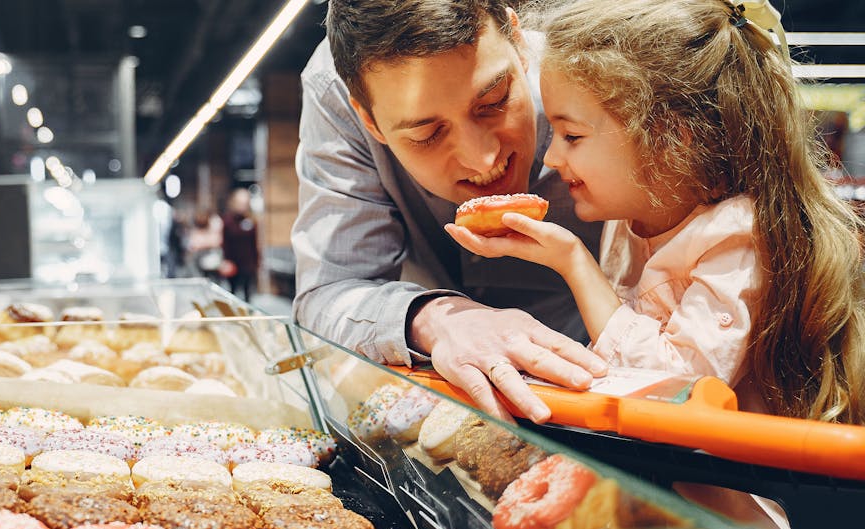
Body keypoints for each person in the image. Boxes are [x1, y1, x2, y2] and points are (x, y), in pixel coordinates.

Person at [447, 0, 865, 425]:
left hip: (726, 482)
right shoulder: (630, 217)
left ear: (669, 139)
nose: (551, 157)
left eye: (571, 135)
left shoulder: (736, 235)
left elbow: (676, 391)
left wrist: (574, 262)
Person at [292, 0, 609, 424]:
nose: (483, 159)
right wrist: (437, 321)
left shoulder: (597, 61)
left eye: (494, 101)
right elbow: (327, 293)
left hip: (607, 396)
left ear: (518, 42)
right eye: (427, 134)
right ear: (369, 120)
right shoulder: (336, 91)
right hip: (444, 409)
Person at [221, 187, 261, 302]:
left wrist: (257, 262)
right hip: (233, 263)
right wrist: (226, 261)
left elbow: (254, 243)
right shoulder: (228, 221)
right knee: (232, 294)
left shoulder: (251, 220)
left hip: (248, 264)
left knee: (248, 295)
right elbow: (225, 243)